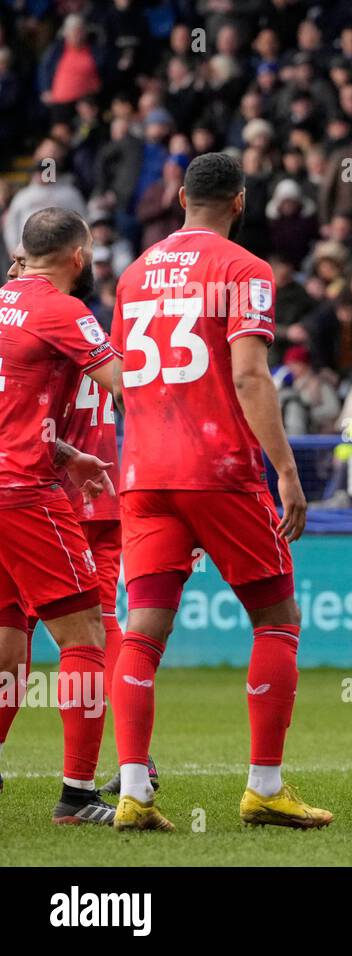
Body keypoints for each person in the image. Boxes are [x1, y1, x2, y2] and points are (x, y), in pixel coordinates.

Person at [110, 152, 331, 831]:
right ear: (240, 202)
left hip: (145, 473)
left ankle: (132, 793)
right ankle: (264, 786)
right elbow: (249, 378)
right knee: (276, 618)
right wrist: (287, 471)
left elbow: (119, 377)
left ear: (181, 198)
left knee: (143, 630)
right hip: (221, 470)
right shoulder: (245, 270)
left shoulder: (134, 273)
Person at [5, 243, 159, 798]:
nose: (13, 270)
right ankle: (111, 769)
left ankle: (122, 759)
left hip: (59, 482)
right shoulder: (80, 326)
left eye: (20, 261)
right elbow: (125, 386)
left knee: (18, 628)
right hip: (68, 491)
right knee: (94, 626)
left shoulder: (32, 323)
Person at [0, 210, 119, 824]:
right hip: (23, 495)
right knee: (84, 639)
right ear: (79, 256)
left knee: (7, 647)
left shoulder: (4, 302)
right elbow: (129, 383)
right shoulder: (62, 310)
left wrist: (67, 450)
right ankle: (77, 795)